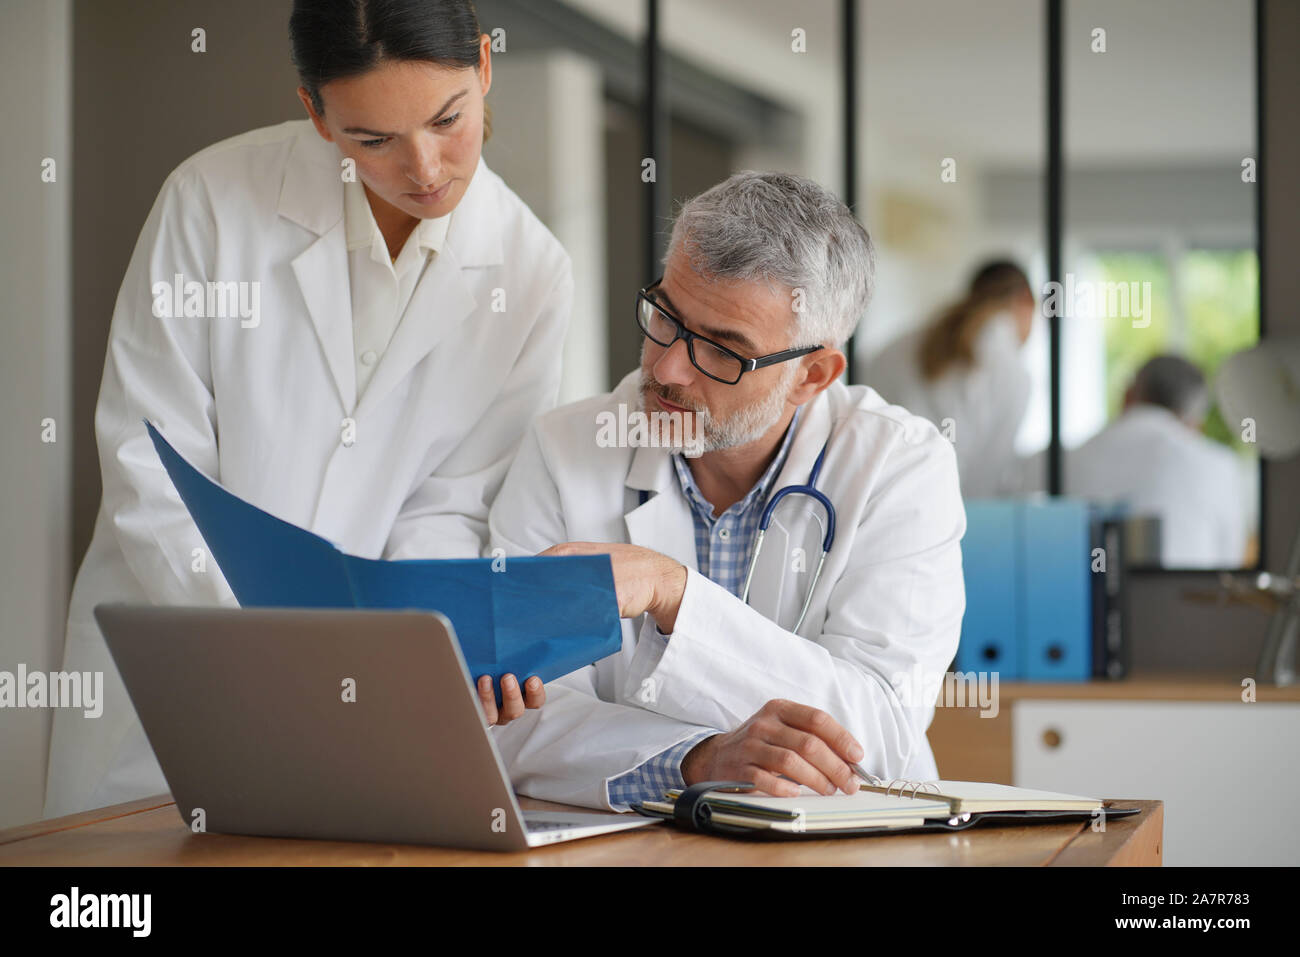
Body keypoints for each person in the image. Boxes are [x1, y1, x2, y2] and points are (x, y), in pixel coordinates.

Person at [44, 0, 564, 819]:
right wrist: (271, 663)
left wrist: (398, 664)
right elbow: (151, 466)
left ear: (486, 65)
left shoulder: (533, 274)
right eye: (373, 140)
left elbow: (451, 505)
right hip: (178, 670)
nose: (425, 167)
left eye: (448, 119)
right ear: (316, 113)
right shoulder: (212, 201)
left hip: (360, 701)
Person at [485, 171, 966, 810]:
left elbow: (877, 734)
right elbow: (507, 714)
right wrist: (696, 760)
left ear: (811, 375)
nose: (663, 368)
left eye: (720, 350)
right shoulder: (563, 448)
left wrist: (675, 594)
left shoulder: (899, 467)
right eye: (666, 317)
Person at [865, 260, 1035, 497]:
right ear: (1026, 298)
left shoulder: (897, 347)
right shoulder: (1011, 371)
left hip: (877, 497)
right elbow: (987, 476)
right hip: (944, 510)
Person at [1067, 355, 1248, 568]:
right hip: (1184, 598)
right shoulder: (1220, 466)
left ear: (1127, 396)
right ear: (1196, 422)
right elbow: (1228, 566)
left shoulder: (1058, 461)